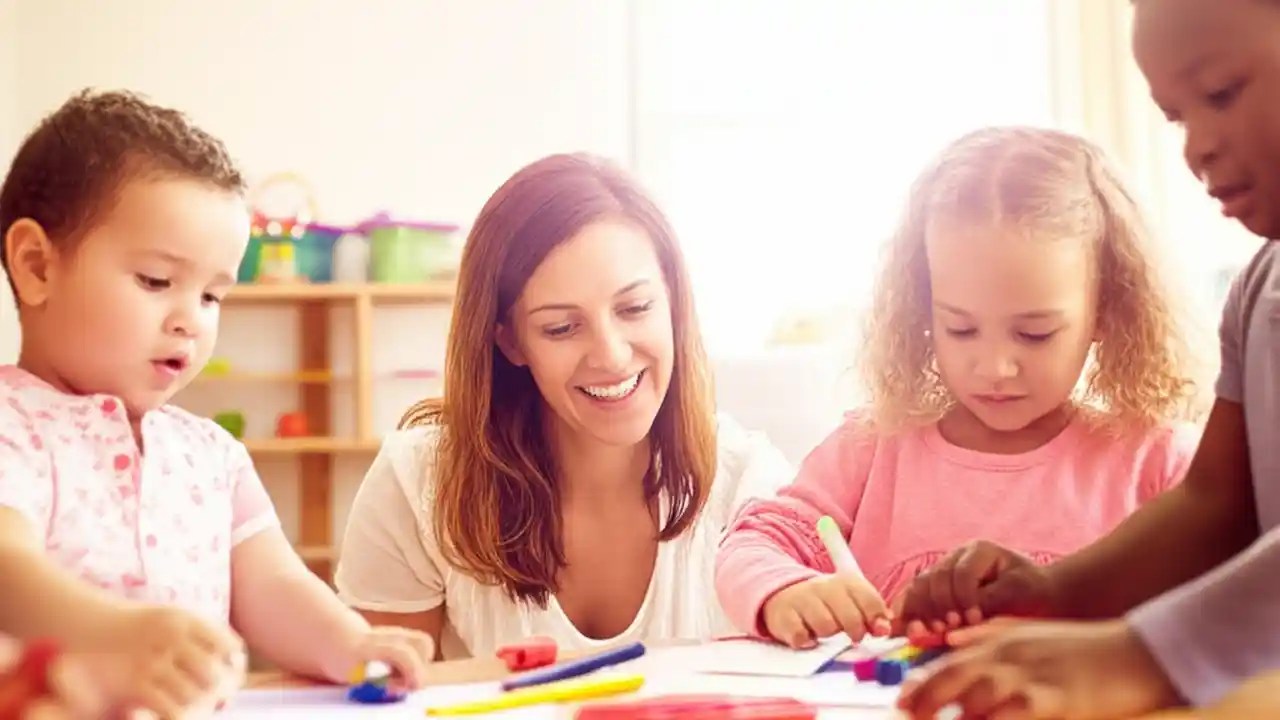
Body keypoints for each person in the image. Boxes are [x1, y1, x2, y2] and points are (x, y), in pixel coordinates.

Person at [895, 1, 1280, 717]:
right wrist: (1057, 592)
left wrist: (1145, 654)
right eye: (1176, 116)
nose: (1197, 146)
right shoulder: (1259, 287)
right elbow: (1217, 503)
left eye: (1222, 93)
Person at [0, 89, 433, 718]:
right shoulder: (13, 425)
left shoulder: (210, 456)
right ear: (37, 266)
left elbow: (273, 587)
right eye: (156, 281)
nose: (190, 322)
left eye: (213, 297)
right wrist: (111, 634)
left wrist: (348, 642)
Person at [712, 126, 1201, 649]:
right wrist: (787, 591)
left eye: (1034, 334)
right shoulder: (874, 447)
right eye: (960, 328)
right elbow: (755, 543)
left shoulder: (1154, 463)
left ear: (1106, 312)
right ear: (922, 310)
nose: (995, 367)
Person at [333, 152, 795, 658]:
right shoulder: (417, 482)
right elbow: (382, 697)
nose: (611, 355)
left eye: (635, 308)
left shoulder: (750, 485)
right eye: (561, 327)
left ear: (674, 305)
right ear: (510, 343)